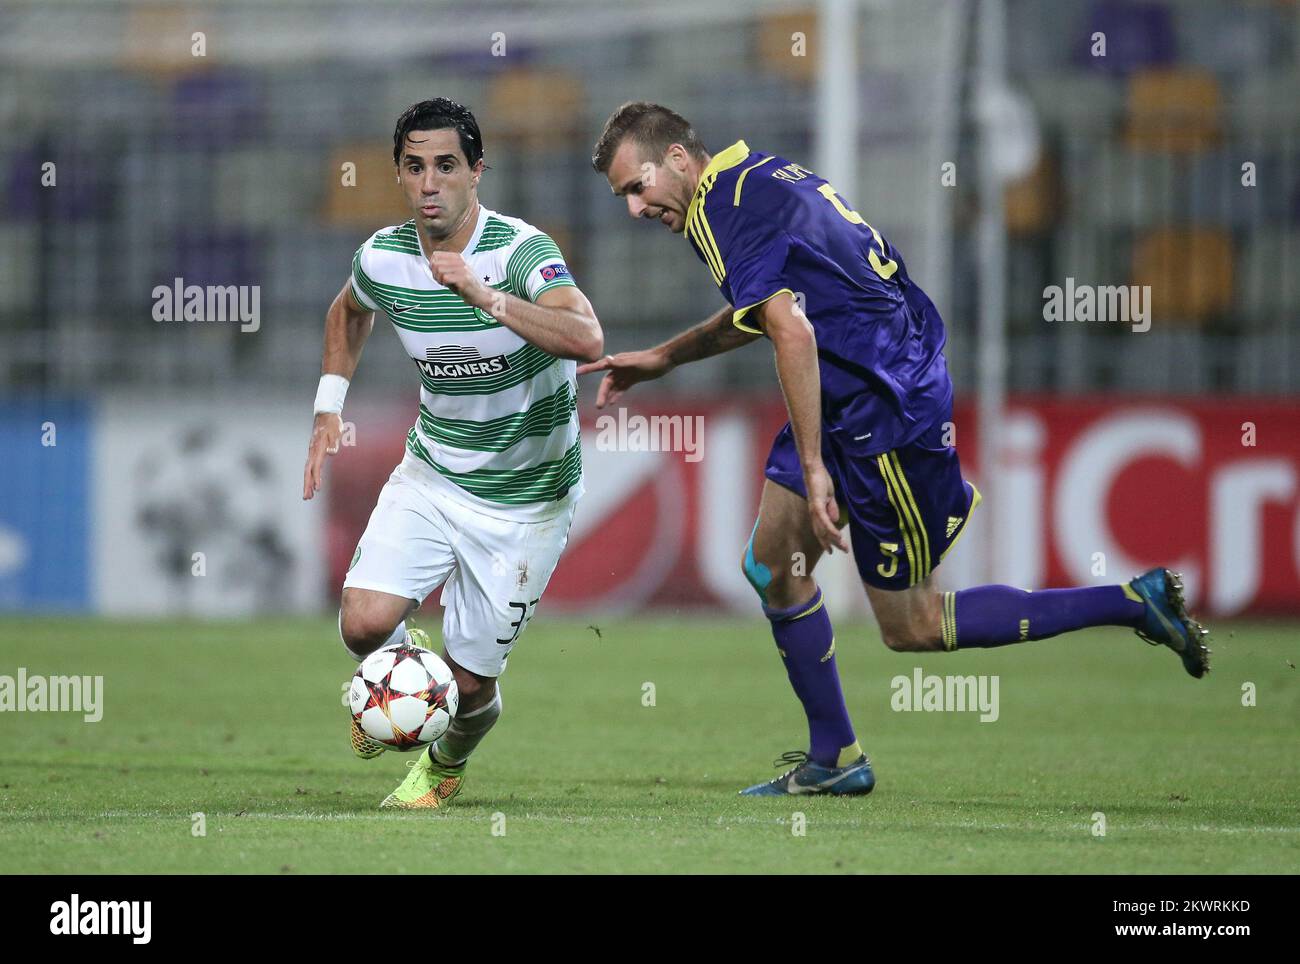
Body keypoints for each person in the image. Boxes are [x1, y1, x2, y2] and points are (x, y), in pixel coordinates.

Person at [582, 102, 1209, 797]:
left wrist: (816, 467)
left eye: (636, 187)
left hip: (884, 409)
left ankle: (1130, 602)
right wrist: (667, 358)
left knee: (913, 625)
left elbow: (792, 333)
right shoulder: (751, 179)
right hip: (854, 388)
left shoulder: (726, 209)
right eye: (623, 199)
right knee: (771, 570)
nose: (635, 208)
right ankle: (836, 759)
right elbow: (772, 311)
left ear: (675, 158)